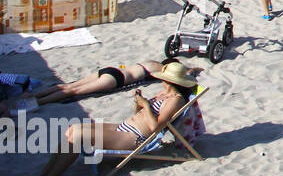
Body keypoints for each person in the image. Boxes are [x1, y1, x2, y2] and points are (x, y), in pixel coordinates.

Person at [27, 61, 202, 176]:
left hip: (134, 138)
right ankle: (45, 175)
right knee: (73, 129)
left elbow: (156, 127)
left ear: (169, 81)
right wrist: (140, 103)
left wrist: (146, 105)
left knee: (79, 136)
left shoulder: (175, 100)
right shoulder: (164, 92)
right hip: (124, 127)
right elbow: (142, 113)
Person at [22, 58, 195, 107]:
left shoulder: (150, 61)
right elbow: (184, 76)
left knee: (70, 85)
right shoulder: (159, 71)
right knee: (74, 92)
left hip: (111, 69)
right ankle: (38, 101)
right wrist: (191, 71)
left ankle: (34, 95)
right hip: (116, 79)